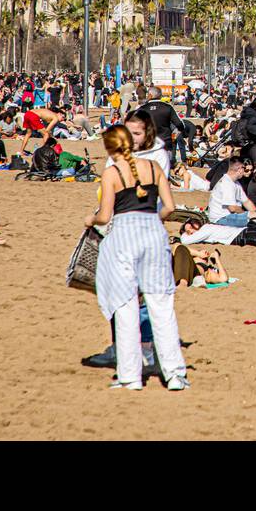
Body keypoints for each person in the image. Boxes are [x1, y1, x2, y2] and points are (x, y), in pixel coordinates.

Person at [85, 125, 187, 390]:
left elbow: (105, 216)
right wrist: (153, 219)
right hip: (154, 234)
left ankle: (130, 376)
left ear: (110, 148)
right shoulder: (154, 167)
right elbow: (171, 207)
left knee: (126, 305)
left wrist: (91, 219)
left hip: (124, 237)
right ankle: (175, 374)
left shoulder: (111, 172)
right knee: (161, 305)